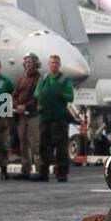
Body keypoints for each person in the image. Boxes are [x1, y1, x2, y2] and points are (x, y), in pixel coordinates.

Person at [36, 53, 76, 182]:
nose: (54, 65)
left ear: (59, 65)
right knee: (44, 147)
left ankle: (62, 173)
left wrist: (61, 93)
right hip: (45, 117)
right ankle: (43, 172)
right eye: (52, 63)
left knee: (61, 148)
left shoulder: (65, 80)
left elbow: (71, 97)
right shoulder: (43, 78)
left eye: (56, 63)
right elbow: (37, 93)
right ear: (49, 64)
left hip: (59, 119)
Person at [12, 53, 42, 179]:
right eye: (26, 62)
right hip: (22, 116)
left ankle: (40, 170)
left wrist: (25, 106)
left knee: (35, 144)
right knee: (23, 143)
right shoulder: (22, 78)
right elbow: (14, 94)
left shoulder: (39, 79)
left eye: (30, 62)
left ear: (35, 63)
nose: (28, 64)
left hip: (33, 114)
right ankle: (25, 170)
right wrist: (17, 105)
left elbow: (37, 96)